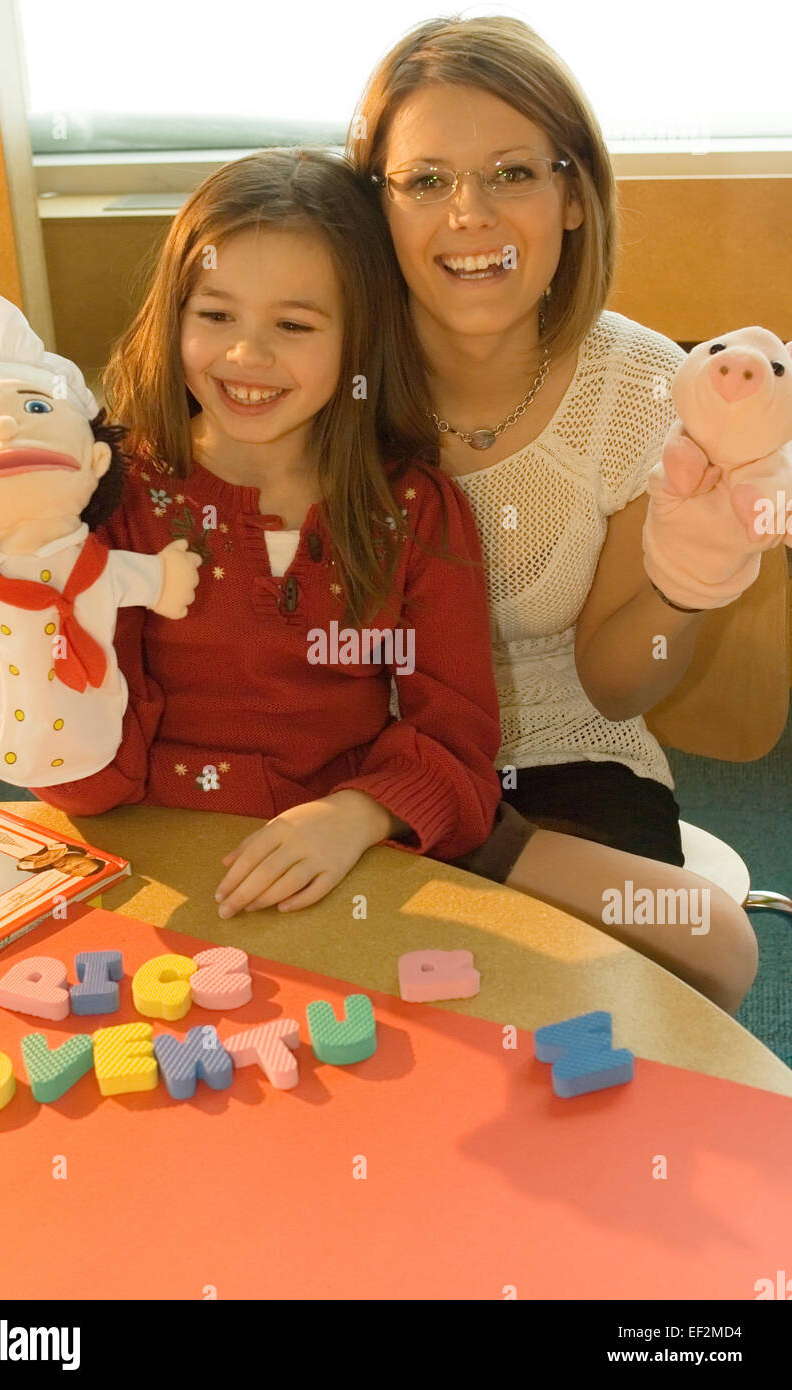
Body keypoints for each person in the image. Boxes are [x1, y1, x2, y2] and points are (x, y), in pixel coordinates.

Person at [345, 14, 759, 1011]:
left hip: (569, 762)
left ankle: (490, 843)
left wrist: (688, 574)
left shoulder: (644, 390)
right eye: (426, 179)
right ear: (376, 206)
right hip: (357, 753)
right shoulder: (329, 372)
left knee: (682, 958)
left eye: (512, 174)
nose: (469, 214)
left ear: (571, 195)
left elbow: (616, 688)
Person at [31, 147, 505, 914]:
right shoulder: (115, 495)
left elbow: (456, 744)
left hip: (336, 873)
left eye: (293, 324)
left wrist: (355, 815)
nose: (246, 355)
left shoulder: (413, 511)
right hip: (145, 866)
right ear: (173, 316)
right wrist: (26, 640)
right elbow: (85, 781)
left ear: (361, 338)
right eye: (215, 315)